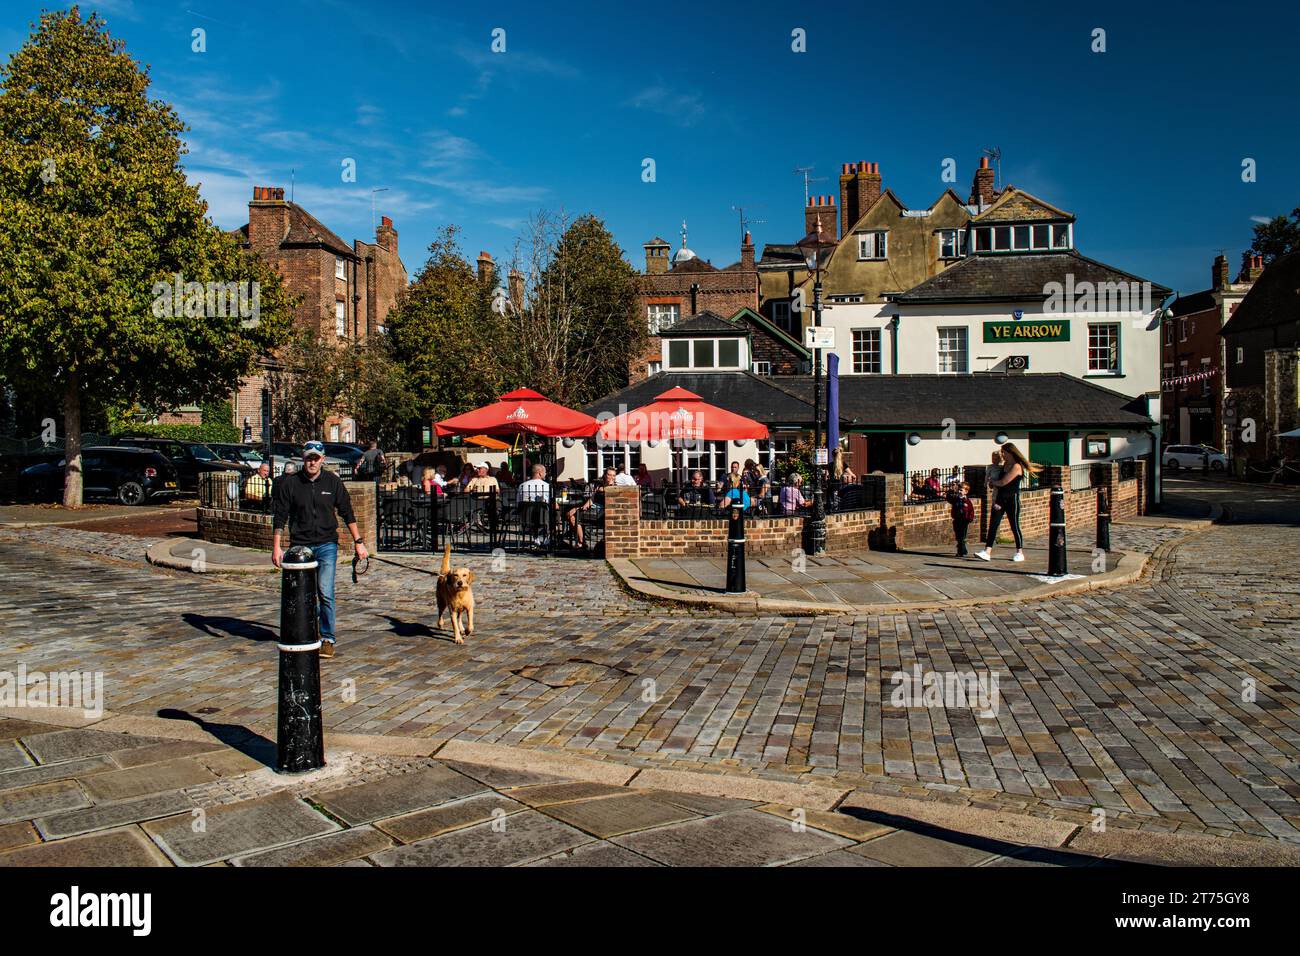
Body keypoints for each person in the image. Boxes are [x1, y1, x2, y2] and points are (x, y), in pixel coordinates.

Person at [271, 440, 367, 659]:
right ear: (303, 459)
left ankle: (327, 638)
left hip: (326, 544)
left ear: (322, 460)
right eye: (308, 458)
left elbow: (347, 512)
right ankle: (307, 630)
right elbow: (280, 517)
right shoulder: (291, 484)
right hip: (300, 545)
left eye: (316, 458)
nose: (312, 462)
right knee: (305, 593)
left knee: (325, 591)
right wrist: (276, 547)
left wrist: (358, 542)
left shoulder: (333, 482)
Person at [975, 442, 1041, 563]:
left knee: (1014, 526)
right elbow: (998, 482)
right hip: (1000, 499)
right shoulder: (1005, 465)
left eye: (1004, 452)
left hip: (1012, 499)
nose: (1002, 455)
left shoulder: (1017, 466)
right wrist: (992, 483)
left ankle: (1019, 552)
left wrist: (993, 482)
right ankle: (987, 551)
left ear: (1010, 452)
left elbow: (1003, 482)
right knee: (993, 525)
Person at [566, 468, 614, 548]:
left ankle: (580, 543)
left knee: (575, 516)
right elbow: (591, 500)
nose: (611, 477)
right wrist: (579, 508)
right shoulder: (599, 486)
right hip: (592, 509)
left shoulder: (615, 488)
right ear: (605, 475)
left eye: (613, 475)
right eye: (609, 475)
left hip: (601, 513)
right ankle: (582, 542)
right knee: (570, 515)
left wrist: (609, 487)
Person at [518, 463, 551, 546]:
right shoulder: (547, 486)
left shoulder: (522, 486)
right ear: (540, 473)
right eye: (545, 472)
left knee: (534, 511)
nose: (546, 474)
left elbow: (518, 501)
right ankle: (548, 536)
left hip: (525, 517)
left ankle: (535, 538)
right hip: (543, 517)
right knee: (554, 513)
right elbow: (551, 502)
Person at [949, 480, 975, 557]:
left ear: (966, 492)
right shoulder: (955, 499)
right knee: (958, 536)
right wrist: (951, 489)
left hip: (964, 520)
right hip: (957, 519)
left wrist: (970, 518)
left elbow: (971, 510)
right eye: (959, 490)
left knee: (962, 536)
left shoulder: (967, 501)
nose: (959, 491)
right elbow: (948, 498)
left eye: (961, 490)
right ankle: (962, 550)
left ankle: (961, 551)